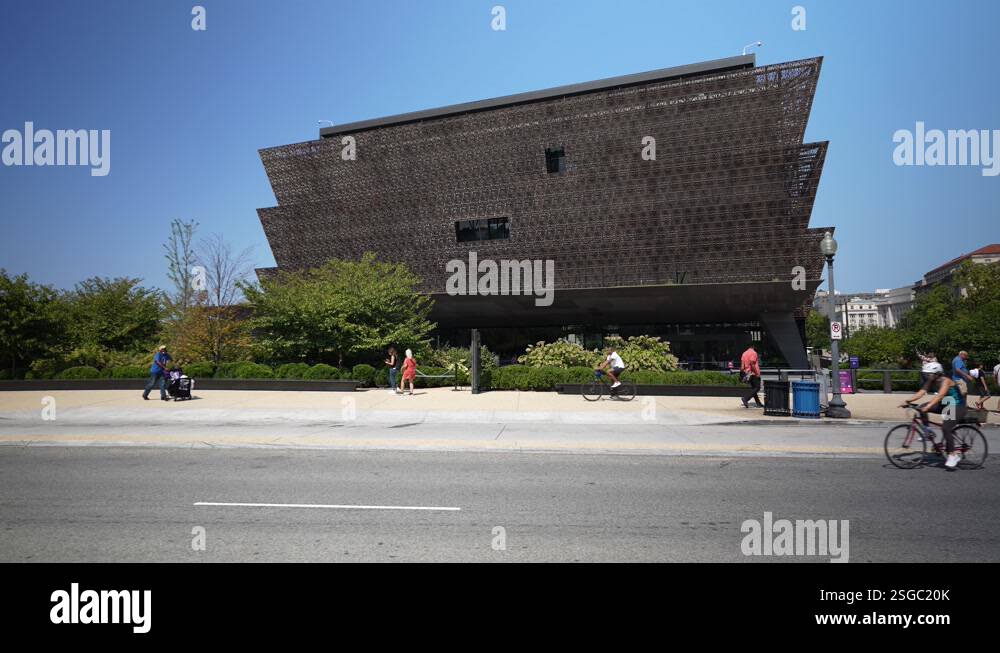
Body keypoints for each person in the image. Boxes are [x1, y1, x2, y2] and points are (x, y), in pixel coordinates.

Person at [901, 361, 966, 470]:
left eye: (928, 374)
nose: (926, 376)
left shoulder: (946, 381)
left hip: (957, 406)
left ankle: (953, 455)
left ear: (936, 373)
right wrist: (907, 400)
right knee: (921, 408)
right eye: (926, 374)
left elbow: (939, 396)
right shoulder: (931, 381)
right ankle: (928, 431)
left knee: (946, 428)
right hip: (946, 404)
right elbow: (921, 392)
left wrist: (929, 406)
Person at [740, 344, 763, 408]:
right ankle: (746, 398)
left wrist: (742, 374)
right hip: (753, 373)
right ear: (753, 347)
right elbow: (752, 364)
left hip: (747, 373)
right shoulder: (754, 353)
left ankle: (758, 403)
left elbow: (742, 367)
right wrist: (757, 373)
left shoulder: (744, 353)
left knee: (754, 388)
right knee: (757, 388)